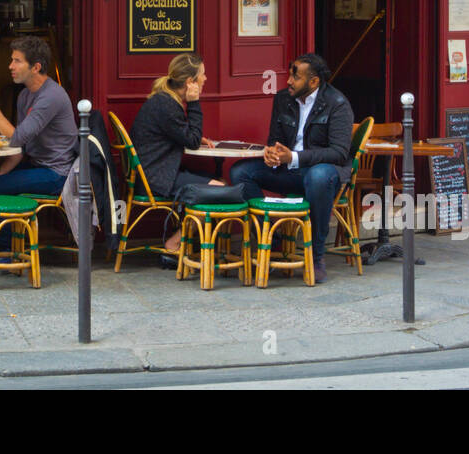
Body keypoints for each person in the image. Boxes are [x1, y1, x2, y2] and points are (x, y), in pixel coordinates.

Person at [229, 53, 353, 284]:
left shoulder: (337, 104)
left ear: (314, 81)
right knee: (240, 172)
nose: (288, 81)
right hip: (288, 171)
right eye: (290, 75)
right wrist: (271, 153)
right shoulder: (283, 99)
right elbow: (275, 138)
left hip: (322, 173)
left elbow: (339, 153)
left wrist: (294, 157)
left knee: (318, 176)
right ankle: (272, 242)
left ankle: (316, 257)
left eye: (295, 77)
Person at [129, 53, 220, 264]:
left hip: (153, 172)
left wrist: (193, 135)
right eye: (202, 75)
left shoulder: (165, 100)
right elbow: (192, 140)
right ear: (190, 82)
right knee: (218, 190)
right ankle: (174, 243)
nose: (205, 79)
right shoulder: (167, 105)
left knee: (217, 183)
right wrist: (195, 103)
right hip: (157, 178)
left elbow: (185, 136)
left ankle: (188, 242)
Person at [0, 36, 78, 199]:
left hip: (56, 174)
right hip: (35, 165)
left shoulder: (51, 96)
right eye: (12, 60)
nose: (10, 66)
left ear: (36, 67)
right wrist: (3, 171)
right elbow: (20, 146)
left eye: (17, 61)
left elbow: (17, 137)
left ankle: (3, 225)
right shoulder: (25, 95)